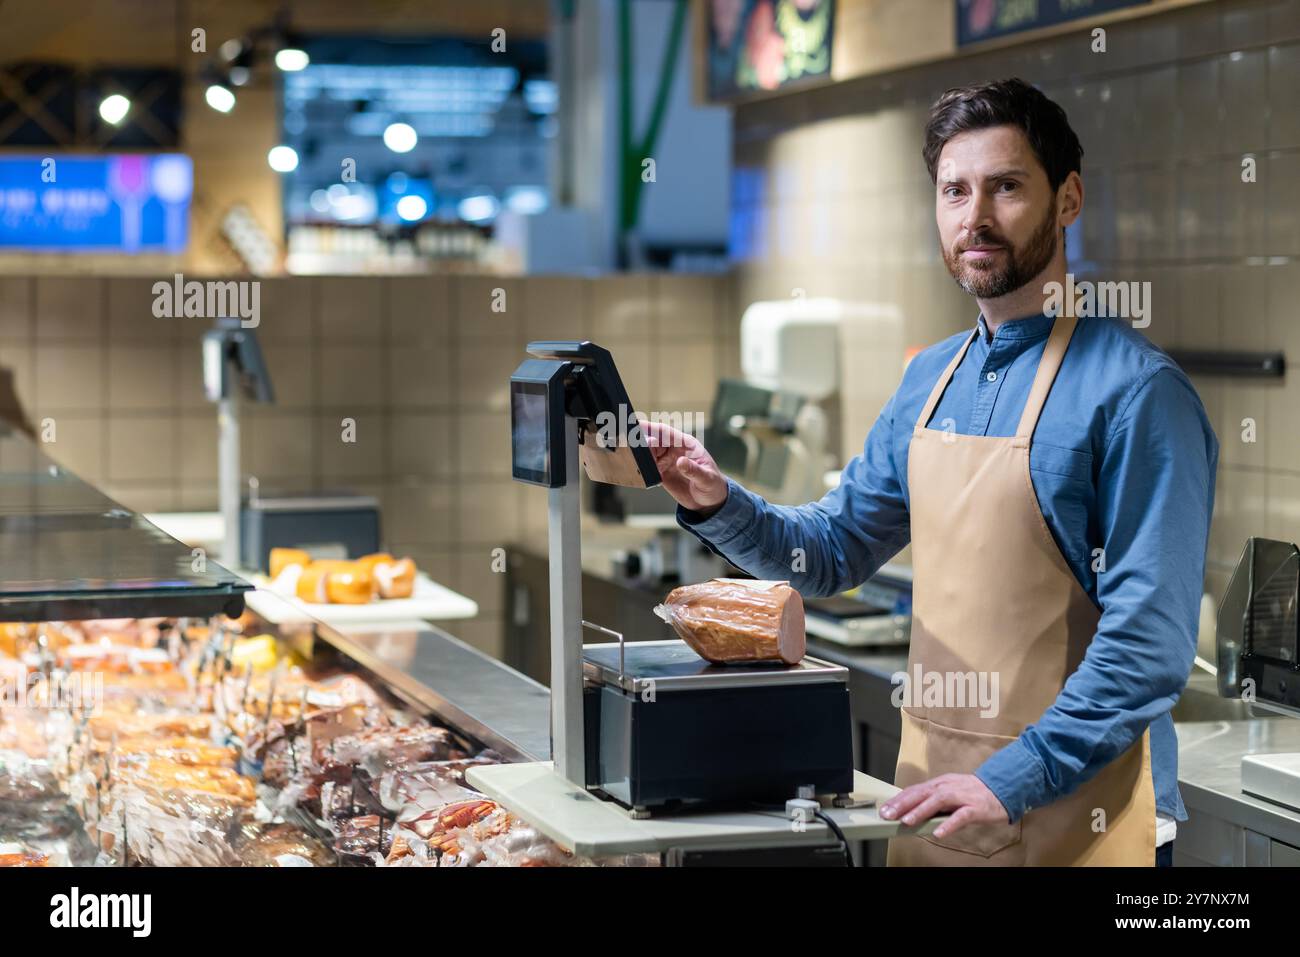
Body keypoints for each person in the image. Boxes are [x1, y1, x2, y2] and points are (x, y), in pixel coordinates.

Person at [643, 77, 1217, 866]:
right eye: (954, 191)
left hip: (1082, 818)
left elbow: (1149, 642)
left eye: (1006, 187)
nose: (974, 217)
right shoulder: (931, 377)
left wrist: (1013, 778)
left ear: (1069, 198)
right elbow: (835, 550)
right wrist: (716, 498)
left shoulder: (1137, 393)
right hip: (936, 804)